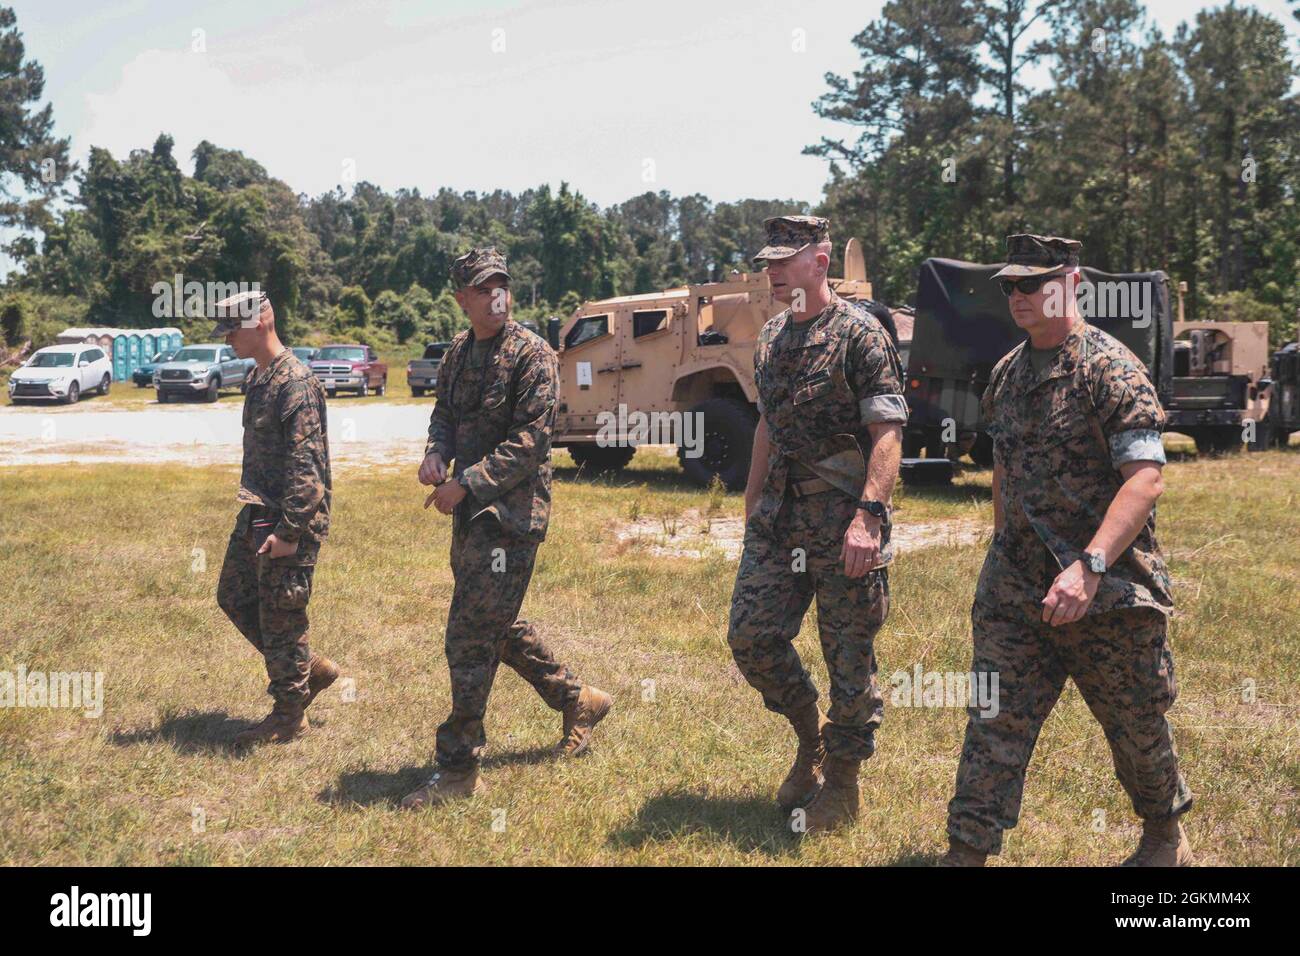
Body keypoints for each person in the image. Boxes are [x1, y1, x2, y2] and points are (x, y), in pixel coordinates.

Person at [939, 234, 1192, 866]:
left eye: (1033, 283)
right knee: (994, 722)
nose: (1019, 296)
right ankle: (967, 851)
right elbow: (1002, 466)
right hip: (1017, 589)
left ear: (1072, 284)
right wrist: (1003, 548)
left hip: (1108, 589)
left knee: (1136, 726)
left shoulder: (1111, 368)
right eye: (1011, 286)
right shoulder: (1008, 372)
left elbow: (1145, 479)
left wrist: (1090, 565)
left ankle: (1165, 838)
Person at [402, 248, 612, 809]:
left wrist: (463, 482)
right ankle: (578, 699)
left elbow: (530, 442)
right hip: (473, 512)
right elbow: (442, 414)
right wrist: (434, 454)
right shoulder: (458, 353)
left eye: (502, 284)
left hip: (513, 519)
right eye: (482, 287)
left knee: (469, 635)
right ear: (462, 298)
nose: (495, 295)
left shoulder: (533, 355)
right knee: (495, 621)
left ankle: (458, 768)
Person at [727, 216, 908, 832]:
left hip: (843, 522)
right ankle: (811, 737)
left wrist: (869, 518)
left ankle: (844, 783)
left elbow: (887, 433)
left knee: (849, 656)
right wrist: (752, 498)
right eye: (767, 262)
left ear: (821, 261)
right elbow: (766, 424)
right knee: (751, 636)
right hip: (780, 518)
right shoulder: (772, 336)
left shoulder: (860, 334)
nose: (771, 271)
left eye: (784, 260)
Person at [214, 291, 339, 748]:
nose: (227, 337)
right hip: (258, 511)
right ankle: (306, 671)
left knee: (282, 616)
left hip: (289, 519)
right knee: (234, 594)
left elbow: (307, 467)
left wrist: (290, 532)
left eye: (232, 328)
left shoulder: (296, 383)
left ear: (261, 321)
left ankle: (289, 716)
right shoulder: (260, 377)